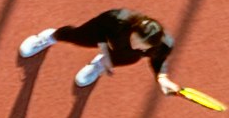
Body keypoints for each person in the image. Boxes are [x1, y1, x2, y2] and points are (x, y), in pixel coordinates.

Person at [15, 9, 184, 94]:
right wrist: (104, 49)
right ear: (133, 29)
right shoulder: (117, 18)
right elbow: (98, 30)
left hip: (123, 53)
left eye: (143, 46)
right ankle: (49, 37)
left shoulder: (163, 45)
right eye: (135, 39)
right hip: (105, 35)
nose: (136, 46)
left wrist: (162, 78)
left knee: (126, 58)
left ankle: (98, 65)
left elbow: (158, 60)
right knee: (75, 36)